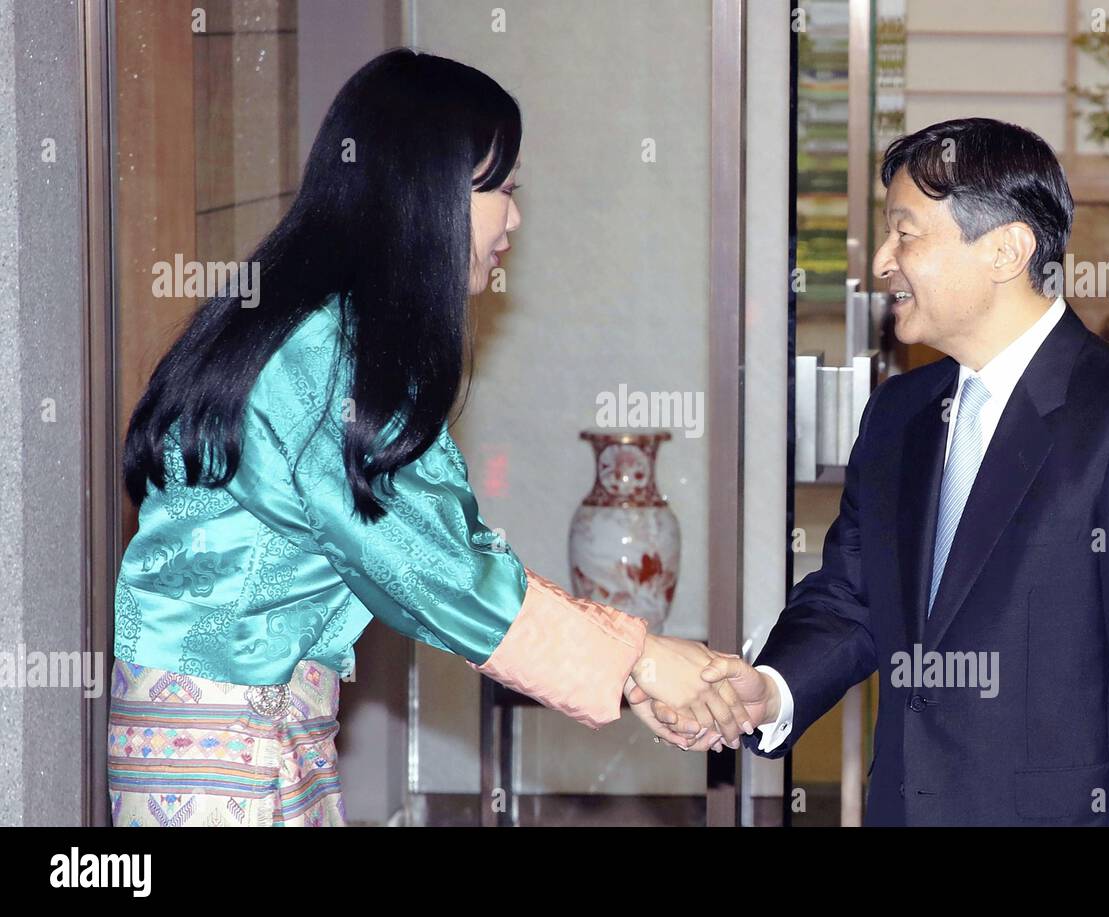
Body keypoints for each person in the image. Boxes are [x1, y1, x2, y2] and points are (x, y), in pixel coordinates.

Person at [108, 49, 747, 827]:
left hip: (248, 738)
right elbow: (432, 567)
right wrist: (640, 657)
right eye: (501, 190)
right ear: (429, 189)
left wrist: (629, 667)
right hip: (224, 757)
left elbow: (452, 544)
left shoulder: (319, 331)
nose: (514, 218)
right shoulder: (324, 357)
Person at [655, 118, 1109, 826]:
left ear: (1006, 249)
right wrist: (771, 689)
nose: (881, 263)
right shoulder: (899, 414)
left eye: (905, 234)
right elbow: (852, 597)